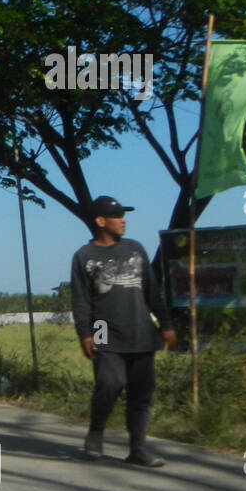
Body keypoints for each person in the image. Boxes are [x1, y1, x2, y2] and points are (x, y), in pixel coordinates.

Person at [70, 195, 177, 467]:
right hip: (103, 329)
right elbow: (81, 300)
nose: (123, 221)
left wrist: (165, 325)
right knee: (110, 382)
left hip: (141, 329)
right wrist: (85, 333)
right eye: (117, 217)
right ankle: (96, 432)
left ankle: (138, 449)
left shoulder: (135, 249)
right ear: (100, 221)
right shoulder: (84, 256)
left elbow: (153, 291)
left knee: (142, 393)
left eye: (123, 216)